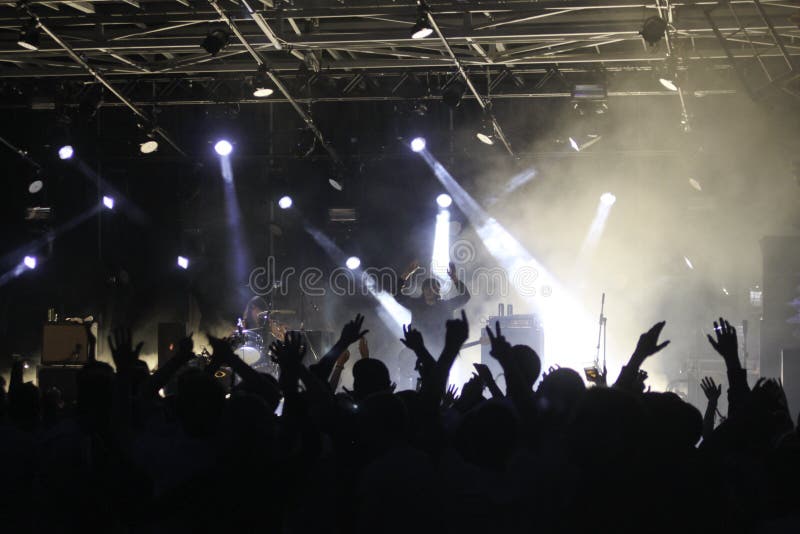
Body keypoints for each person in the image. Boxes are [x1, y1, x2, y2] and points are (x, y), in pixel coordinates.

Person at [395, 260, 471, 344]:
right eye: (427, 288)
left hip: (442, 349)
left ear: (437, 291)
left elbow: (465, 296)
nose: (429, 291)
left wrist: (454, 278)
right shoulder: (415, 305)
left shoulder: (445, 306)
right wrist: (407, 273)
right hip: (421, 349)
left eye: (432, 289)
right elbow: (397, 294)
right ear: (423, 290)